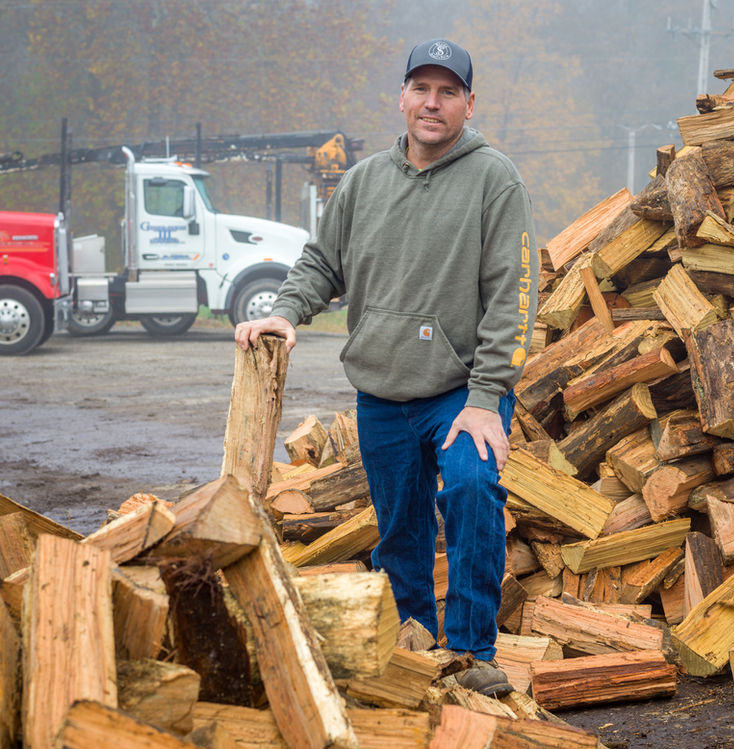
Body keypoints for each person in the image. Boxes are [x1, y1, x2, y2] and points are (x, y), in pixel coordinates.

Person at [235, 38, 538, 697]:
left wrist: (487, 397)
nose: (433, 103)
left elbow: (515, 295)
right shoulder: (364, 181)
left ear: (467, 103)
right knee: (399, 525)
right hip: (380, 392)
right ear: (402, 97)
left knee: (469, 490)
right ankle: (413, 639)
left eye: (447, 91)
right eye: (421, 89)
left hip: (462, 395)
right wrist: (288, 311)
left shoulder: (494, 179)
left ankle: (470, 651)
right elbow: (322, 263)